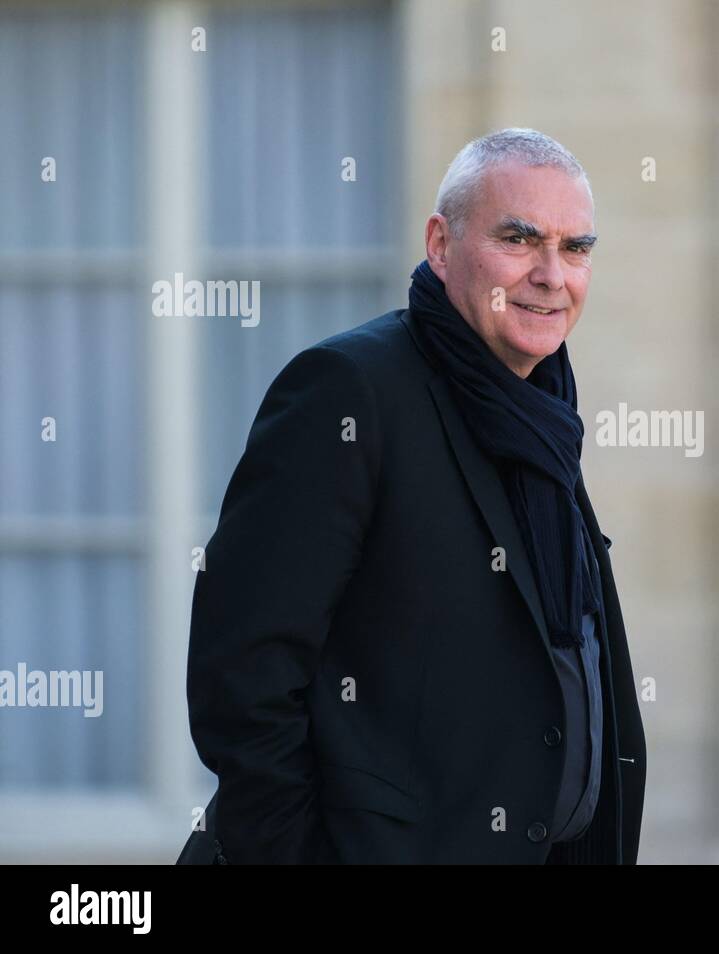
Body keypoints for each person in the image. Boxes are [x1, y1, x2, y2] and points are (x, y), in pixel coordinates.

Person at [176, 128, 645, 864]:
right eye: (519, 239)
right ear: (440, 244)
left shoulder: (543, 410)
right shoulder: (347, 390)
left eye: (576, 247)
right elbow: (244, 680)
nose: (553, 274)